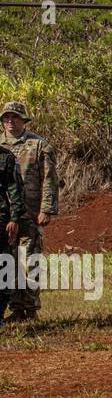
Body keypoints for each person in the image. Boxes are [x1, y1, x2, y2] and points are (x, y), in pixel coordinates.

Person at [0, 101, 56, 322]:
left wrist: (47, 209)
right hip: (4, 215)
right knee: (8, 261)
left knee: (29, 259)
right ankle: (15, 309)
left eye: (15, 117)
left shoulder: (39, 145)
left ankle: (30, 309)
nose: (10, 122)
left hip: (30, 214)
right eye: (6, 118)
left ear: (24, 120)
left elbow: (50, 180)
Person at [0, 136, 25, 325]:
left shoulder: (6, 157)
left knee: (3, 267)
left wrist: (14, 218)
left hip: (1, 219)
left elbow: (15, 189)